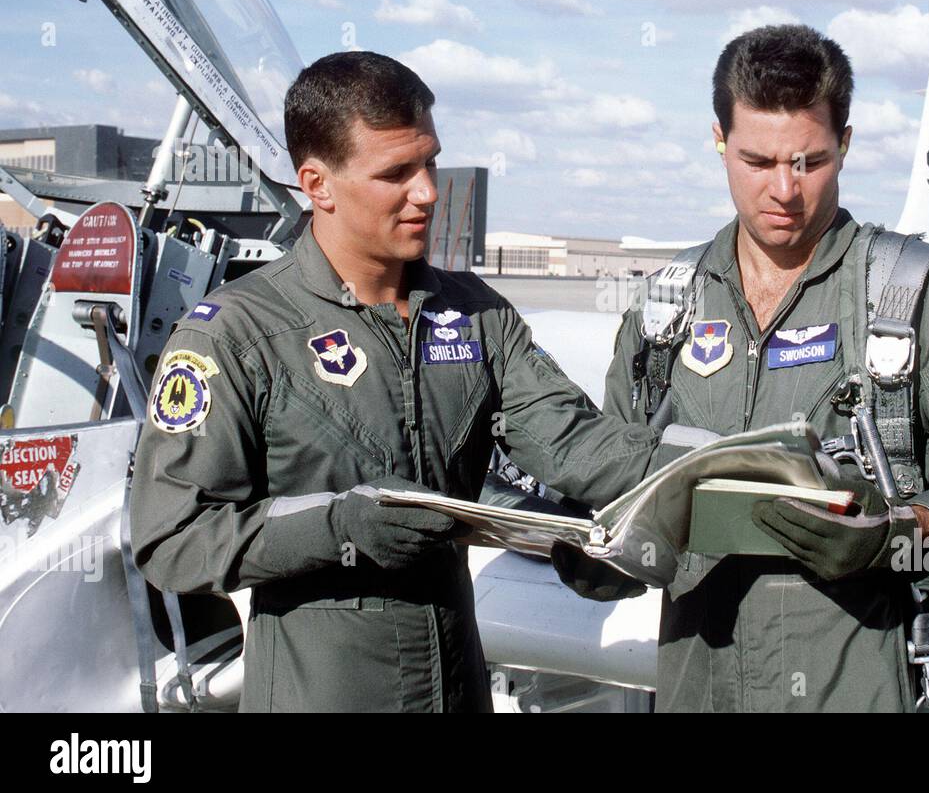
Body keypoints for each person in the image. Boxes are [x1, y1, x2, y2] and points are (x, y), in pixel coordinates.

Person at [130, 51, 665, 712]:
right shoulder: (235, 337)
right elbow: (171, 538)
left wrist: (637, 511)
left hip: (457, 687)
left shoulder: (476, 316)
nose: (429, 192)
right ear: (318, 184)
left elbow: (579, 445)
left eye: (430, 162)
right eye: (396, 173)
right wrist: (338, 528)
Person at [556, 25, 929, 712]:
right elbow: (621, 489)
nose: (783, 190)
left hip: (854, 684)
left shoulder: (912, 295)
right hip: (696, 688)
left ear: (845, 143)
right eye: (757, 161)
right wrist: (597, 558)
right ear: (719, 141)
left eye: (809, 162)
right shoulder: (667, 305)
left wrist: (904, 533)